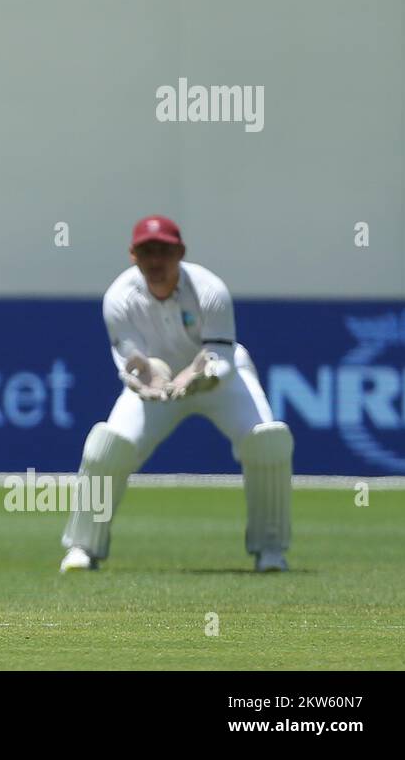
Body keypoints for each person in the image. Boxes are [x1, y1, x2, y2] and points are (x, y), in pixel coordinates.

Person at [60, 215, 292, 573]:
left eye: (164, 252)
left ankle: (271, 550)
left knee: (267, 440)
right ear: (133, 255)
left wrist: (199, 376)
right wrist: (152, 377)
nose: (156, 261)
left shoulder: (210, 290)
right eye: (147, 251)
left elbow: (221, 357)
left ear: (180, 252)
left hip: (218, 381)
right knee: (108, 447)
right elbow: (132, 363)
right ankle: (82, 548)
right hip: (160, 389)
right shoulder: (119, 299)